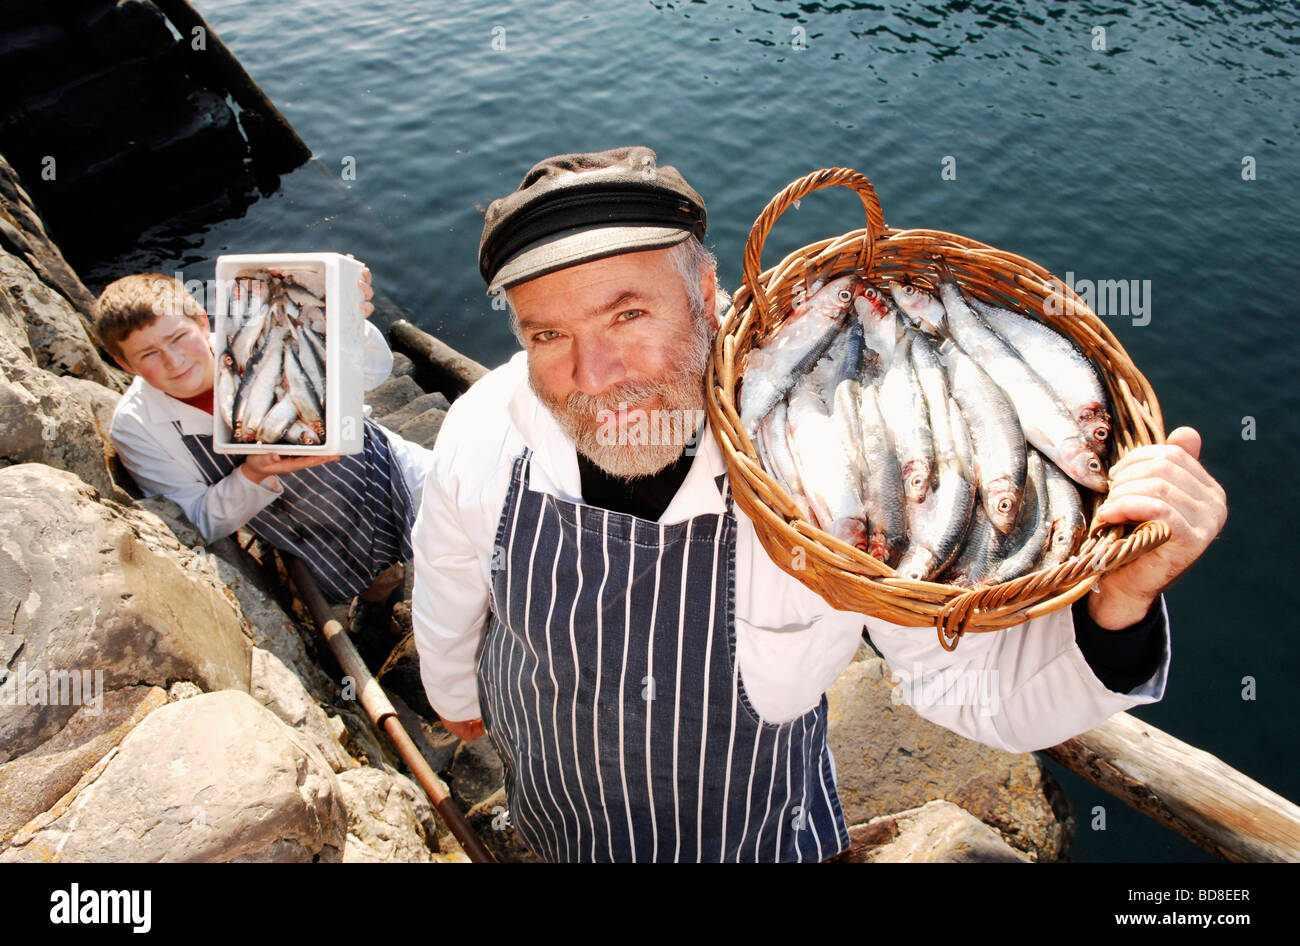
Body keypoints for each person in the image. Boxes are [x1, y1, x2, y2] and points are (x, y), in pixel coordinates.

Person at [410, 146, 1227, 863]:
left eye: (628, 314)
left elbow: (980, 689)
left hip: (755, 835)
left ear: (706, 292)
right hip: (556, 798)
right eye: (547, 335)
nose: (592, 375)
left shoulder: (831, 461)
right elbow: (448, 574)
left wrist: (1116, 608)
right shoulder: (485, 429)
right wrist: (454, 698)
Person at [94, 265, 434, 607]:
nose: (174, 360)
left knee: (453, 538)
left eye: (178, 337)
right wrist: (252, 474)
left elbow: (372, 374)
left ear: (202, 320)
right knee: (377, 586)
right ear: (125, 364)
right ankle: (381, 603)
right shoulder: (135, 427)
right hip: (314, 536)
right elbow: (195, 521)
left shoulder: (260, 333)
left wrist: (348, 322)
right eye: (148, 354)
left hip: (385, 471)